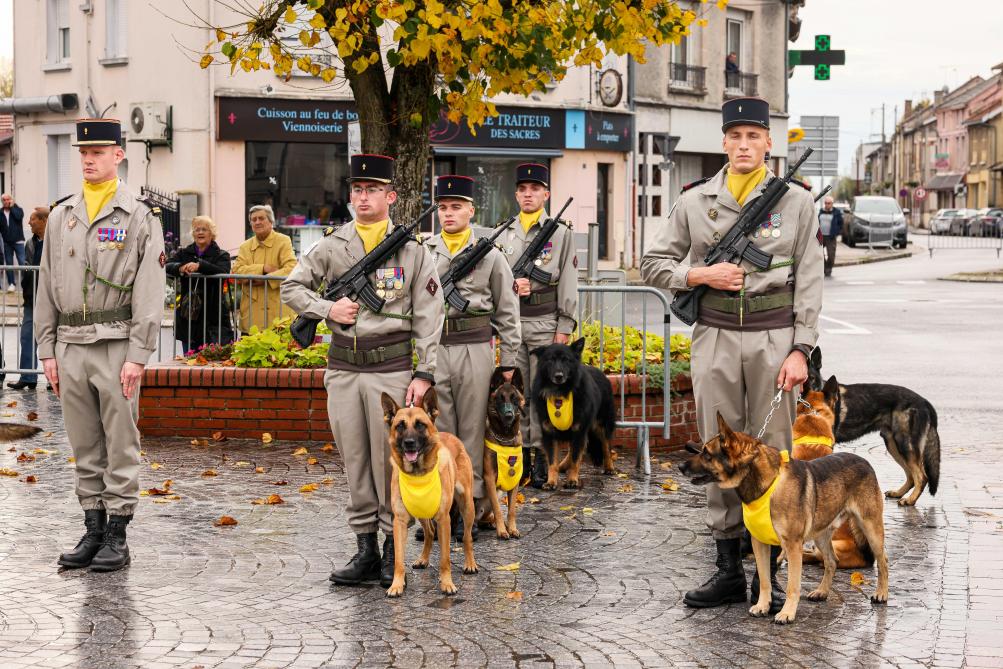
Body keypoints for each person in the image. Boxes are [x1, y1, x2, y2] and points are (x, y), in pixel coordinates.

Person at [641, 97, 823, 614]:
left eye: (754, 136)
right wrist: (700, 274)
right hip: (716, 336)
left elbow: (809, 278)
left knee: (774, 450)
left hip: (774, 338)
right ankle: (727, 569)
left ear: (770, 142)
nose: (744, 145)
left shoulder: (797, 203)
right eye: (735, 136)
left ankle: (774, 573)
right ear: (723, 142)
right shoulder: (696, 201)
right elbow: (652, 262)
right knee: (718, 449)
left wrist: (801, 349)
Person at [281, 154, 444, 587]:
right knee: (355, 460)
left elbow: (430, 314)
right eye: (357, 189)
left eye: (372, 190)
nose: (363, 197)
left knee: (388, 462)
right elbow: (291, 287)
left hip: (390, 369)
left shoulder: (412, 250)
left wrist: (424, 372)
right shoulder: (333, 246)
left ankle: (394, 548)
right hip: (343, 370)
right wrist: (326, 307)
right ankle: (365, 548)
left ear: (390, 196)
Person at [35, 118, 166, 572]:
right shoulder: (61, 215)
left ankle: (117, 534)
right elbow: (46, 284)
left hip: (115, 342)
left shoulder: (138, 216)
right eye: (83, 153)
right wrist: (47, 350)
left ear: (119, 155)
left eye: (98, 152)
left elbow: (150, 290)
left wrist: (138, 355)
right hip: (70, 344)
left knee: (120, 440)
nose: (88, 160)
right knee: (84, 442)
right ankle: (92, 529)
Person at [423, 175, 521, 538]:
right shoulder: (424, 250)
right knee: (440, 429)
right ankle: (440, 505)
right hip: (436, 348)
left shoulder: (491, 254)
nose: (448, 214)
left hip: (476, 346)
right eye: (443, 208)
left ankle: (476, 504)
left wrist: (508, 362)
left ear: (470, 210)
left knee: (473, 428)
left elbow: (508, 310)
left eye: (456, 207)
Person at [500, 163, 578, 488]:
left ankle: (545, 459)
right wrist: (511, 287)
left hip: (546, 324)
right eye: (523, 189)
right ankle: (525, 459)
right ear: (516, 194)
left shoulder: (561, 233)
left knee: (545, 395)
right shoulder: (504, 233)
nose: (528, 194)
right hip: (513, 324)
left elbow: (570, 282)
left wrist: (565, 325)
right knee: (518, 393)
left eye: (535, 189)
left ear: (546, 193)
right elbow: (495, 281)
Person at [165, 215, 235, 354]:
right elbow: (167, 265)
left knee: (213, 362)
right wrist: (180, 267)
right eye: (197, 229)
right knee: (189, 361)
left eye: (204, 229)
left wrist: (200, 266)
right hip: (189, 316)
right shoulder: (184, 253)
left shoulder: (221, 255)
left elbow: (223, 270)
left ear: (212, 233)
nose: (200, 232)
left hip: (213, 316)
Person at [232, 204, 296, 333]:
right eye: (254, 219)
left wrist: (265, 280)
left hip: (278, 314)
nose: (257, 222)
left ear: (271, 221)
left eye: (261, 218)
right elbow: (237, 271)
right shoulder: (245, 246)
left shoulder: (283, 241)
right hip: (251, 315)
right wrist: (263, 268)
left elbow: (291, 268)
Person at [8, 207, 48, 390]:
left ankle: (55, 380)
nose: (29, 222)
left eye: (33, 219)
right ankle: (28, 377)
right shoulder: (30, 243)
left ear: (44, 220)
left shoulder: (55, 241)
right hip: (31, 298)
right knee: (27, 337)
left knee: (52, 339)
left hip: (50, 299)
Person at [1, 193, 25, 292]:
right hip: (7, 242)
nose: (6, 201)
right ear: (2, 201)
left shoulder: (18, 210)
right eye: (4, 200)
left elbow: (19, 217)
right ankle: (11, 284)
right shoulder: (0, 212)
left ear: (11, 200)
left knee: (23, 262)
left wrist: (12, 207)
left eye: (8, 199)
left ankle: (26, 283)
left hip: (18, 241)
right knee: (9, 263)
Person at [818, 196, 843, 277]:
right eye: (825, 203)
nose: (827, 205)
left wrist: (837, 232)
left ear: (832, 204)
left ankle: (829, 268)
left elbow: (840, 223)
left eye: (828, 203)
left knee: (831, 255)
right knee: (819, 254)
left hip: (831, 237)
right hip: (821, 236)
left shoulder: (836, 212)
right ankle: (824, 268)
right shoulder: (821, 211)